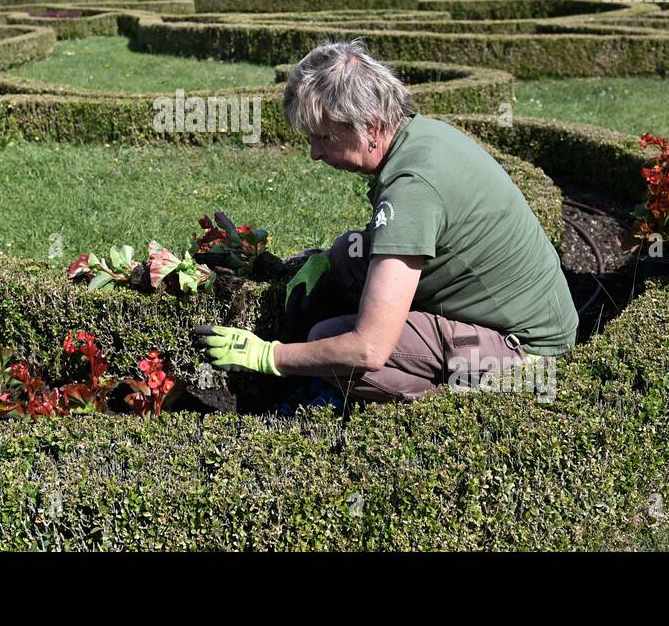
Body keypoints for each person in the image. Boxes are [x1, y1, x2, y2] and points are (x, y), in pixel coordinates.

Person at [195, 39, 577, 401]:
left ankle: (442, 407)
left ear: (371, 127)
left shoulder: (412, 189)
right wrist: (325, 260)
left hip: (527, 354)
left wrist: (270, 357)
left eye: (324, 137)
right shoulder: (417, 136)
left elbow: (370, 348)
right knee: (346, 252)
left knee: (331, 340)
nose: (314, 153)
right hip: (511, 317)